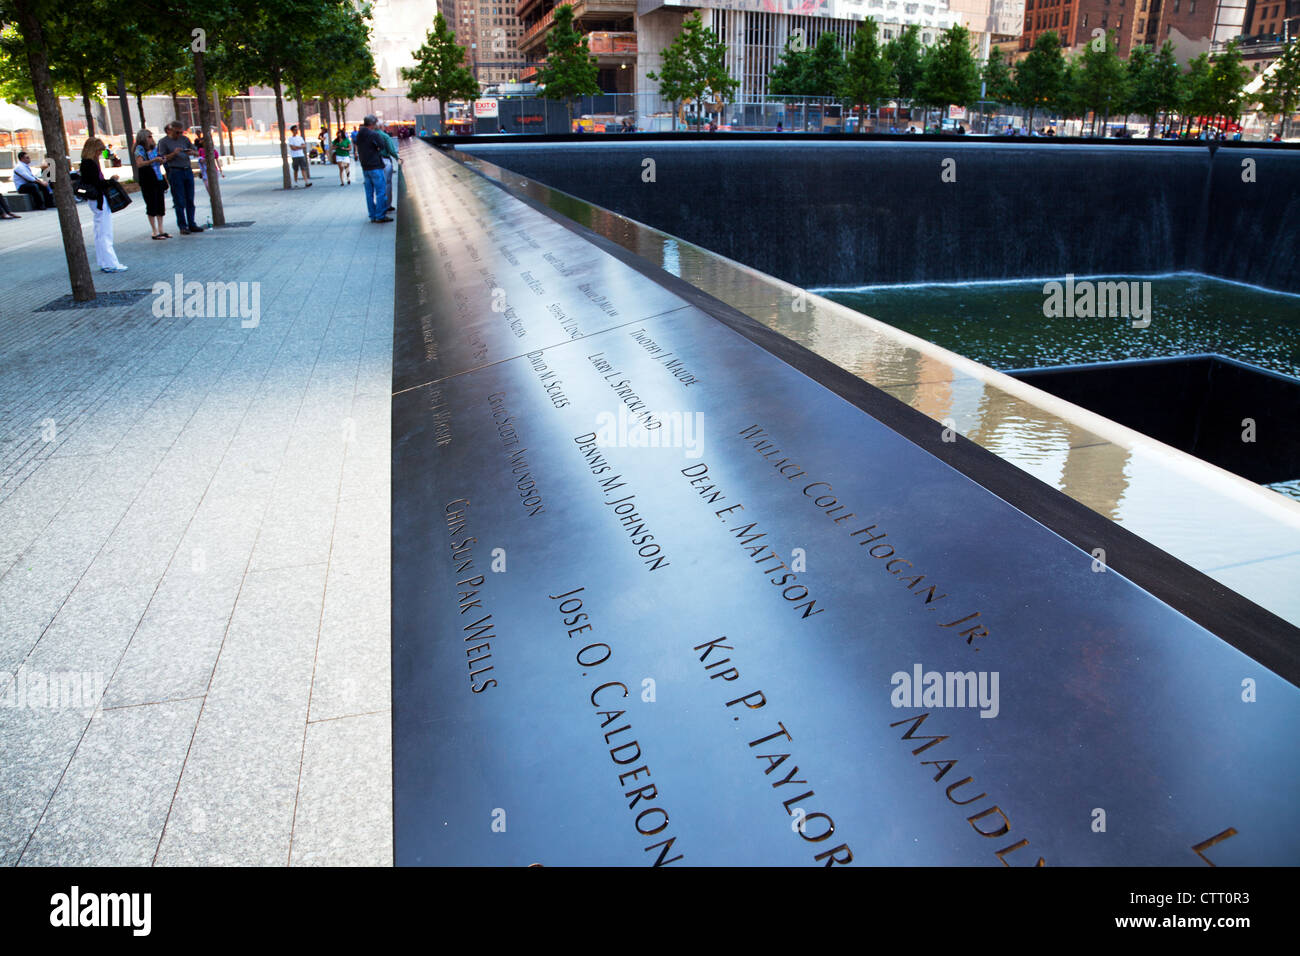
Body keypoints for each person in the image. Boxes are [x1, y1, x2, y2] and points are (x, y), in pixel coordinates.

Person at [80, 137, 126, 272]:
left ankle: (105, 262)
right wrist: (111, 181)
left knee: (100, 232)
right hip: (99, 198)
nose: (100, 153)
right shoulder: (90, 164)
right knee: (105, 233)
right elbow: (97, 183)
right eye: (99, 150)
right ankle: (111, 263)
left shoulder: (86, 163)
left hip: (95, 199)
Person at [157, 121, 204, 234]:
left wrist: (193, 152)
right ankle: (182, 226)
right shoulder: (163, 142)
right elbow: (162, 158)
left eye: (180, 132)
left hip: (187, 170)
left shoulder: (184, 139)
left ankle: (192, 223)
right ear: (170, 130)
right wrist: (174, 153)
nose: (179, 135)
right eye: (176, 132)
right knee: (179, 200)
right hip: (175, 171)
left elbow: (195, 150)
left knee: (190, 199)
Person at [133, 128, 171, 239]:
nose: (151, 138)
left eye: (151, 136)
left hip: (158, 178)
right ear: (143, 138)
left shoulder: (154, 148)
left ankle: (161, 229)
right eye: (149, 136)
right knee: (151, 204)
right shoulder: (139, 149)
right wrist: (154, 160)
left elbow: (160, 158)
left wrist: (162, 159)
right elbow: (139, 164)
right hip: (148, 180)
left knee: (160, 204)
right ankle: (154, 231)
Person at [354, 114, 390, 223]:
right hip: (375, 165)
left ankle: (372, 215)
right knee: (380, 191)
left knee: (369, 193)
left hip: (365, 166)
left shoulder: (359, 134)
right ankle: (380, 215)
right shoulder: (374, 134)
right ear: (372, 124)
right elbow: (382, 146)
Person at [378, 122, 401, 213]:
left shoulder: (370, 135)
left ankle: (380, 206)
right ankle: (387, 205)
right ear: (381, 126)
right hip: (385, 160)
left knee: (378, 185)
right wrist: (397, 157)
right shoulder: (384, 136)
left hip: (374, 162)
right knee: (387, 183)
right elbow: (391, 149)